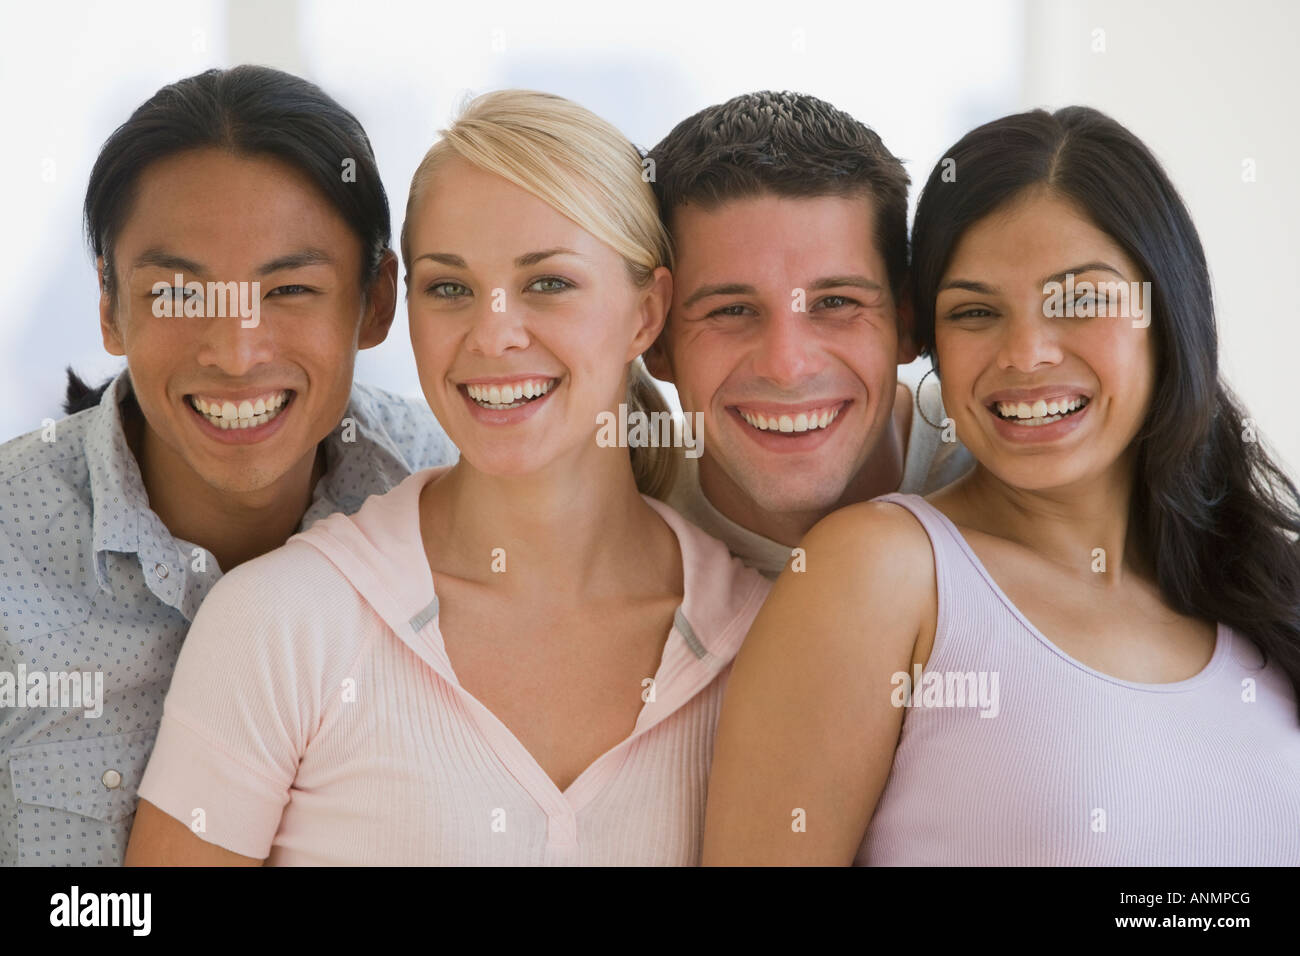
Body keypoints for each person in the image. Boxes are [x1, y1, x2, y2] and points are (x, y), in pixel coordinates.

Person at [124, 90, 769, 866]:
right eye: (450, 288)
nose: (493, 333)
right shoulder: (282, 622)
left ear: (646, 310)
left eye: (548, 283)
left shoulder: (763, 637)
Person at [701, 106, 1300, 865]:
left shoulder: (1265, 586)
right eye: (977, 311)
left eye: (1079, 300)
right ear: (932, 345)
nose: (1025, 354)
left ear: (1169, 312)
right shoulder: (881, 570)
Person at [0, 65, 458, 866]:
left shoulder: (453, 493)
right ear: (109, 304)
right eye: (180, 295)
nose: (237, 353)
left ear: (376, 301)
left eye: (288, 290)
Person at [644, 91, 973, 577]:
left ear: (908, 323)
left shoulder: (1004, 474)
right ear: (655, 341)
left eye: (836, 303)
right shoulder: (622, 520)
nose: (787, 366)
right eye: (732, 310)